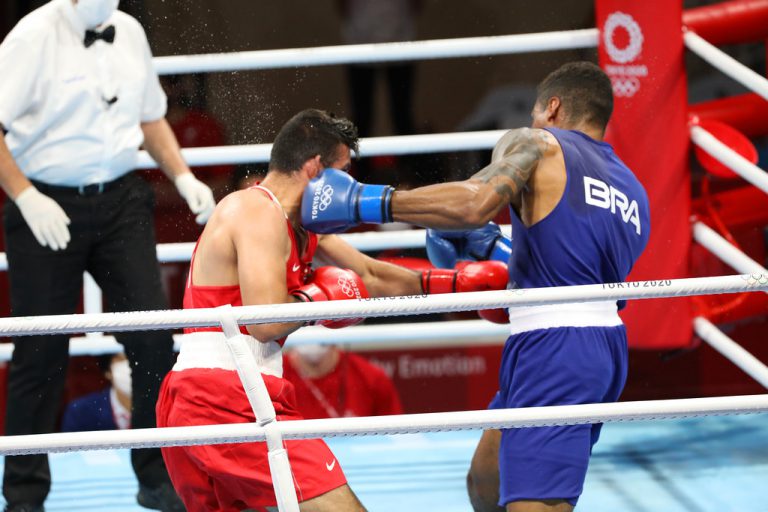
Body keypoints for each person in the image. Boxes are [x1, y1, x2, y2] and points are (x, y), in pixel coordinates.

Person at [301, 62, 651, 511]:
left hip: (555, 350)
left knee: (535, 503)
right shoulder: (632, 190)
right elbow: (577, 269)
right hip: (599, 348)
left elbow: (473, 205)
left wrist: (364, 201)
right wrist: (496, 253)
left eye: (534, 113)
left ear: (552, 108)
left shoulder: (538, 143)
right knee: (486, 480)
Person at [156, 108, 508, 511]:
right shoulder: (255, 211)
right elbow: (264, 322)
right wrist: (317, 299)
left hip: (229, 393)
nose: (349, 188)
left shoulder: (299, 225)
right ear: (315, 169)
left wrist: (459, 283)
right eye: (343, 173)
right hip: (222, 395)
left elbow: (371, 275)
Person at [0, 1, 217, 511]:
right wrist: (26, 195)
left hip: (121, 200)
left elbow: (150, 118)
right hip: (46, 200)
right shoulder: (32, 37)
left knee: (154, 341)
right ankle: (24, 494)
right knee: (40, 351)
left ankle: (158, 478)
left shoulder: (130, 32)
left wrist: (183, 175)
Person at [283, 344, 402, 419]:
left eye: (318, 321)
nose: (311, 326)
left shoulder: (372, 378)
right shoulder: (274, 379)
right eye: (305, 322)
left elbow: (395, 439)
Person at [61, 353, 132, 432]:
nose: (130, 364)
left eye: (137, 355)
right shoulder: (81, 412)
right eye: (121, 359)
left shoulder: (148, 409)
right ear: (107, 371)